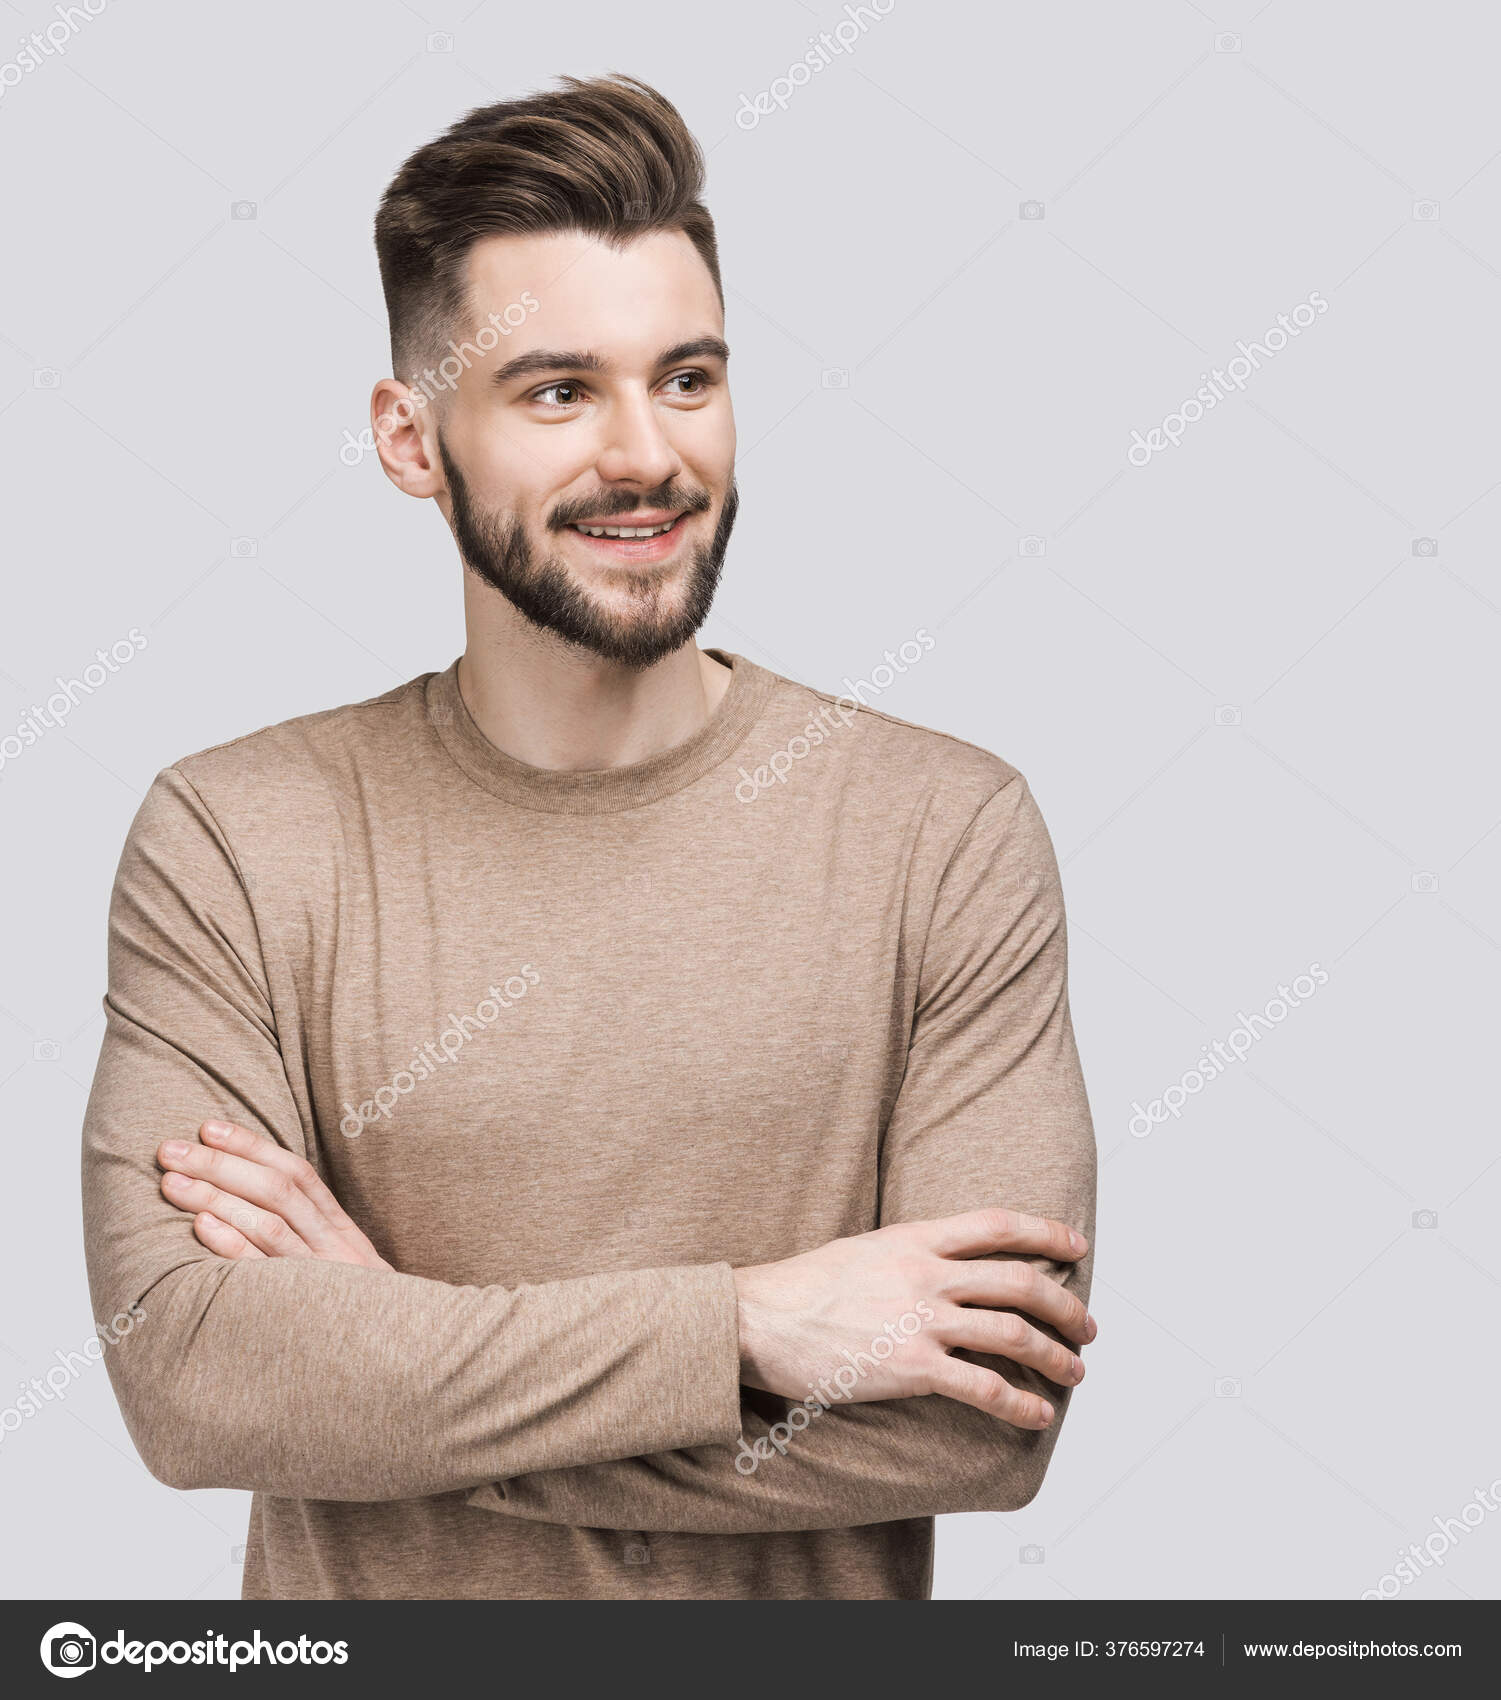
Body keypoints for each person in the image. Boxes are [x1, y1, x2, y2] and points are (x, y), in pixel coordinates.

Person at [81, 73, 1097, 1601]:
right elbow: (195, 1379)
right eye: (558, 392)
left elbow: (975, 1423)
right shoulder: (238, 838)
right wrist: (745, 1327)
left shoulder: (939, 832)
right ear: (411, 440)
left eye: (686, 378)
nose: (646, 456)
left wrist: (382, 1363)